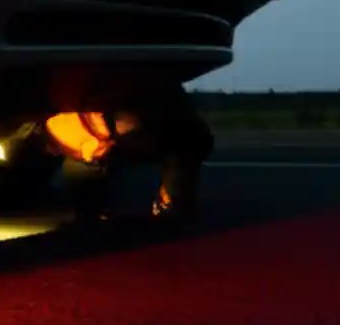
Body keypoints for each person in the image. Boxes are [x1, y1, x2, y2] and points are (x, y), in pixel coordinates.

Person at [47, 83, 214, 228]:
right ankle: (89, 214)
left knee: (192, 137)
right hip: (87, 140)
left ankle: (172, 206)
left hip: (97, 136)